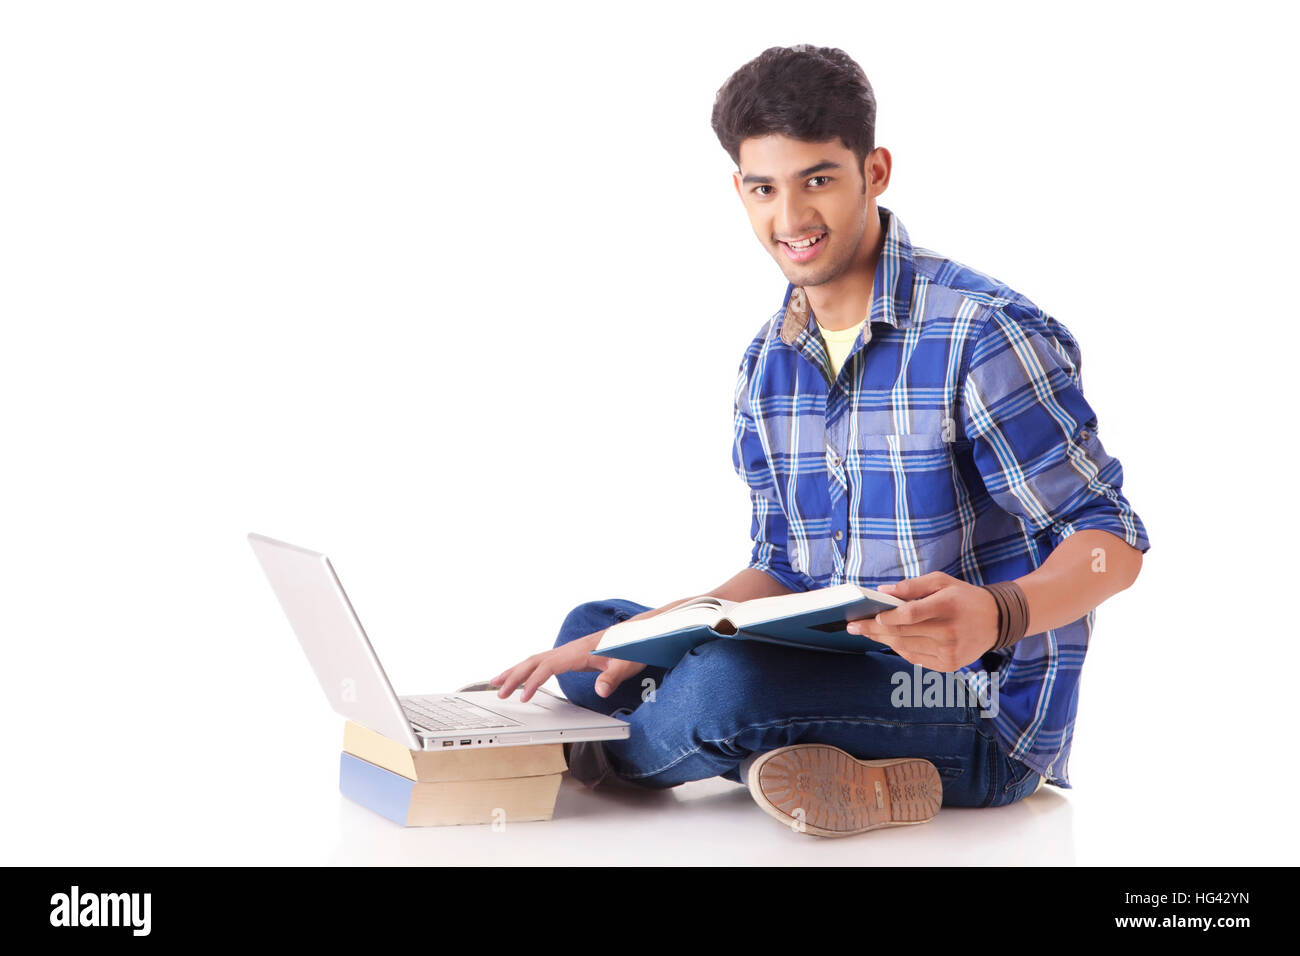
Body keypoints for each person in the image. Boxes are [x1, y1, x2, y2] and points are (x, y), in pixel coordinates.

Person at [488, 44, 1150, 837]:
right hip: (843, 659)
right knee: (593, 630)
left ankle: (575, 754)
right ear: (739, 189)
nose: (791, 218)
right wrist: (640, 635)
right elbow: (783, 570)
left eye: (819, 180)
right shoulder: (770, 361)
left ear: (875, 172)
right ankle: (816, 762)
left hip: (966, 701)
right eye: (765, 188)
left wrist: (1001, 613)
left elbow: (1114, 541)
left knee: (724, 684)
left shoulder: (984, 334)